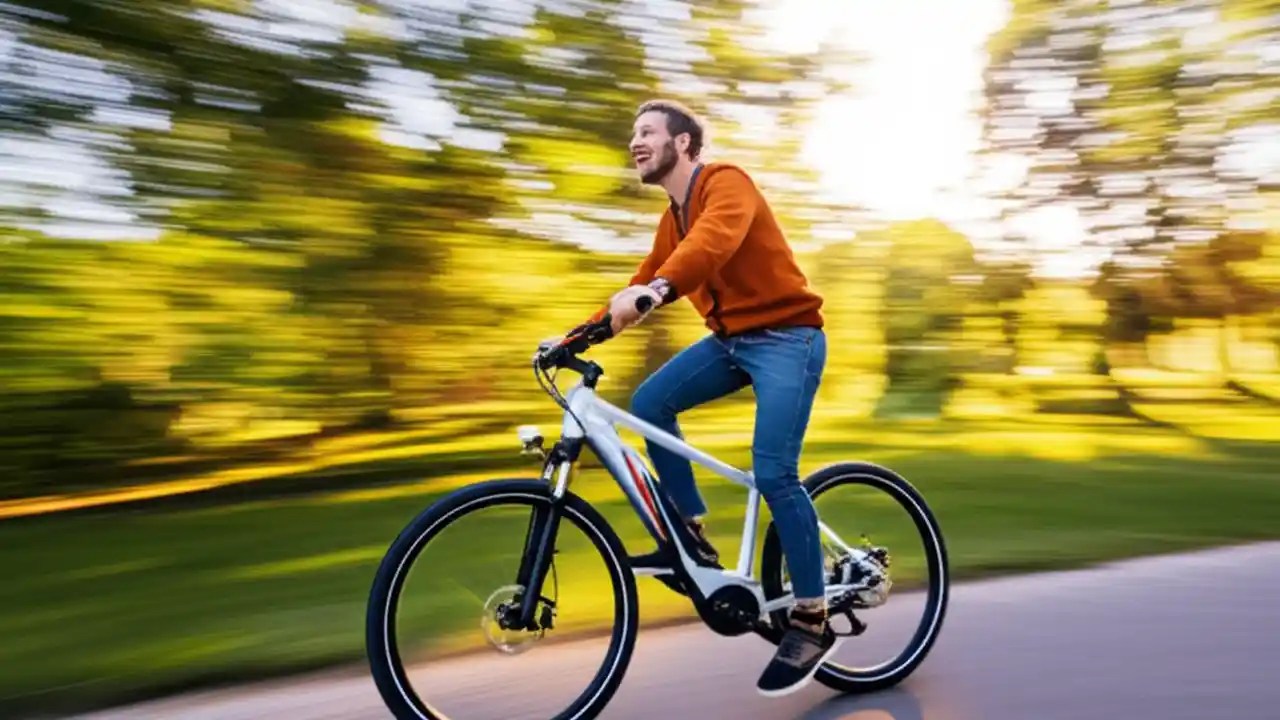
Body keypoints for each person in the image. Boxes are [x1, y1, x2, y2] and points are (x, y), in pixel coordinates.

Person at [590, 98, 837, 697]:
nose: (635, 141)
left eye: (647, 132)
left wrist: (658, 289)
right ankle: (691, 530)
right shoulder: (670, 220)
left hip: (788, 340)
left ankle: (811, 615)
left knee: (774, 473)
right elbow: (642, 279)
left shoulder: (726, 183)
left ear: (684, 144)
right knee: (650, 405)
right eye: (633, 134)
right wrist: (577, 334)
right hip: (732, 342)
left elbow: (713, 244)